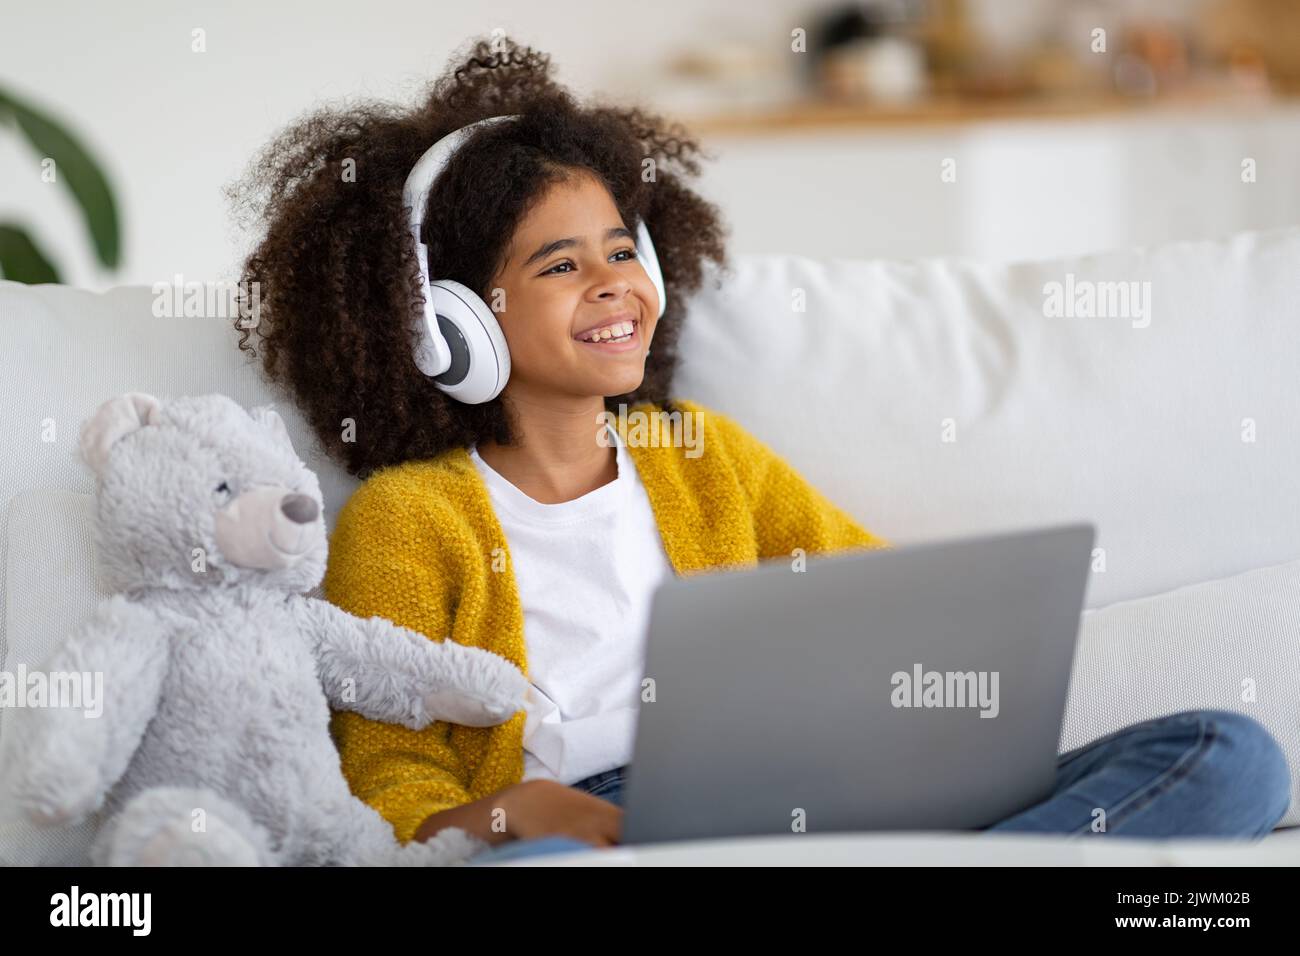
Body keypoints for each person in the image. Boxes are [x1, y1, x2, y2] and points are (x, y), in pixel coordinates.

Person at [228, 34, 1293, 866]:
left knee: (1231, 755)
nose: (611, 283)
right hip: (608, 822)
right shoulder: (408, 519)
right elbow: (384, 779)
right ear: (446, 321)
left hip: (823, 793)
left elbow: (881, 604)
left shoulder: (705, 459)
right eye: (559, 265)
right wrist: (514, 809)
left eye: (619, 250)